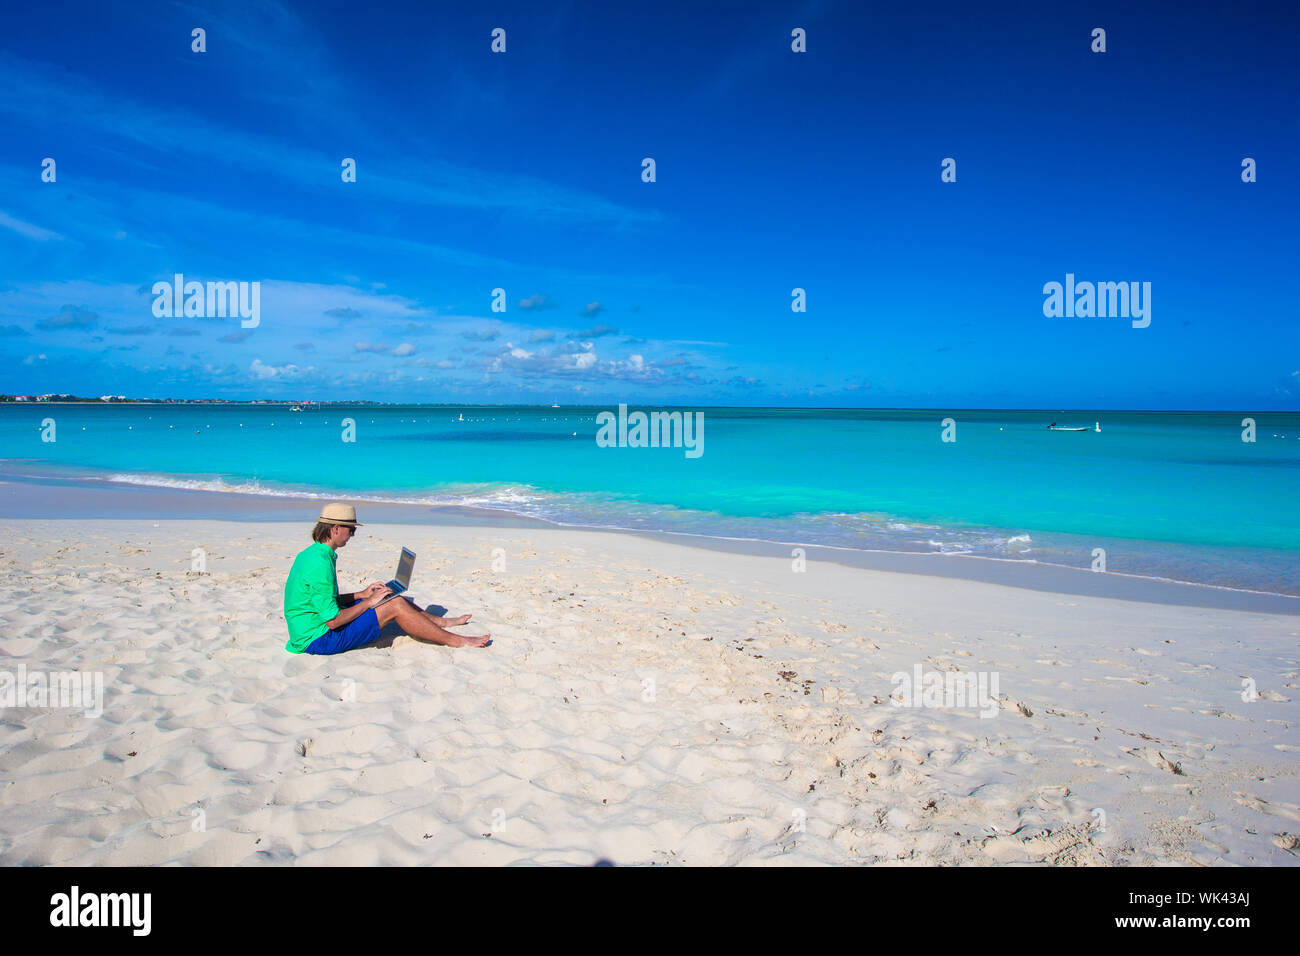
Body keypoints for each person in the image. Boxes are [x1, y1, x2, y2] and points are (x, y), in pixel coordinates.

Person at [283, 502, 490, 654]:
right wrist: (368, 603)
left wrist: (363, 594)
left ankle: (440, 622)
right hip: (317, 639)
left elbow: (324, 599)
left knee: (387, 596)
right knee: (395, 604)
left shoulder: (313, 553)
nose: (353, 535)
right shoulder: (320, 564)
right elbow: (333, 621)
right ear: (335, 529)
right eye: (351, 529)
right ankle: (455, 641)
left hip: (309, 628)